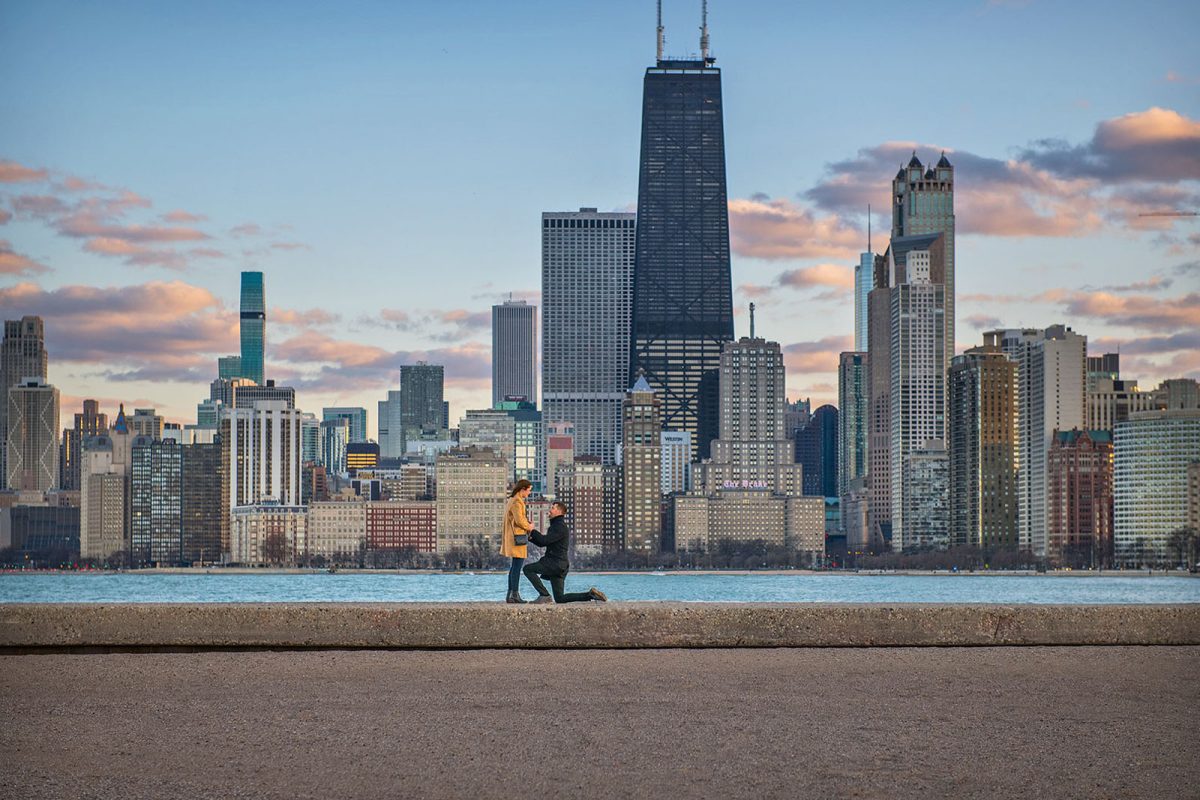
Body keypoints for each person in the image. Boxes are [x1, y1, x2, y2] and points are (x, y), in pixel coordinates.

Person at [523, 501, 607, 604]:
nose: (550, 510)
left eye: (552, 508)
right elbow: (542, 543)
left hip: (554, 564)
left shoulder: (559, 526)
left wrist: (533, 530)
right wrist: (530, 534)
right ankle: (590, 595)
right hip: (560, 566)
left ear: (559, 511)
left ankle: (544, 595)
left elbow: (544, 541)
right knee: (560, 598)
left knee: (527, 569)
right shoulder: (557, 526)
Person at [500, 479, 535, 603]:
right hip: (517, 539)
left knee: (514, 567)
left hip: (513, 537)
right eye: (529, 490)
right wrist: (529, 526)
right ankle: (514, 594)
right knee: (517, 567)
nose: (529, 493)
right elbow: (519, 520)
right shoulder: (517, 502)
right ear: (523, 489)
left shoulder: (512, 500)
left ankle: (511, 594)